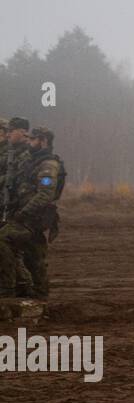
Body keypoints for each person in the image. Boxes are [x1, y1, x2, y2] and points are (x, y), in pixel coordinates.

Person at [0, 124, 65, 300]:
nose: (29, 142)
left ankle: (7, 289)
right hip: (25, 216)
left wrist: (24, 213)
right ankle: (35, 293)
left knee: (3, 240)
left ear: (43, 141)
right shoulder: (32, 161)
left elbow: (45, 194)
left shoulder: (48, 165)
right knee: (33, 257)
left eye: (32, 139)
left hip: (33, 218)